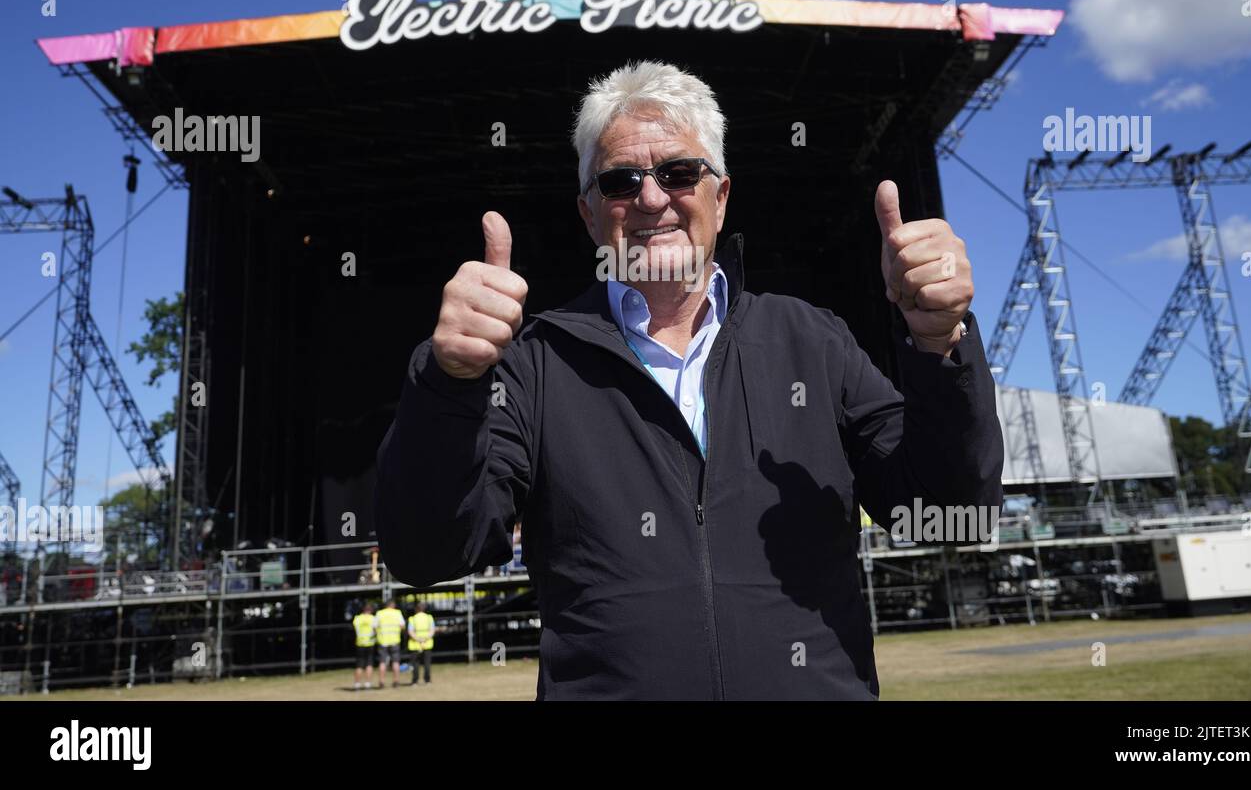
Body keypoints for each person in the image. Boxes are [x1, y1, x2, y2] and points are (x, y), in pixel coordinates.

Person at [376, 60, 1003, 700]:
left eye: (679, 173)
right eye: (620, 182)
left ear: (721, 197)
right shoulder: (535, 362)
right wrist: (448, 381)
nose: (652, 199)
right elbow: (428, 555)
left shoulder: (812, 341)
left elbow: (951, 515)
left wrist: (938, 345)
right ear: (591, 215)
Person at [374, 598, 404, 689]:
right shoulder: (397, 613)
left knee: (382, 662)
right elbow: (402, 626)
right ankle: (396, 681)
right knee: (395, 662)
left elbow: (374, 627)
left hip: (383, 641)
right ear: (392, 605)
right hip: (395, 640)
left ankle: (381, 682)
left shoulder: (379, 613)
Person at [406, 601, 435, 685]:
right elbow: (432, 630)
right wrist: (425, 639)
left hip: (415, 644)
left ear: (416, 609)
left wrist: (418, 639)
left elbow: (410, 631)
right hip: (427, 643)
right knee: (427, 663)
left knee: (415, 664)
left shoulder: (412, 618)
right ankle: (427, 680)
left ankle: (415, 681)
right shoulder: (429, 617)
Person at [352, 602, 377, 691]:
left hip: (360, 643)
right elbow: (375, 630)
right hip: (370, 644)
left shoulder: (357, 618)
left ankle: (357, 685)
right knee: (369, 664)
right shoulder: (373, 619)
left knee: (359, 665)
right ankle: (367, 684)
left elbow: (355, 628)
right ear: (371, 610)